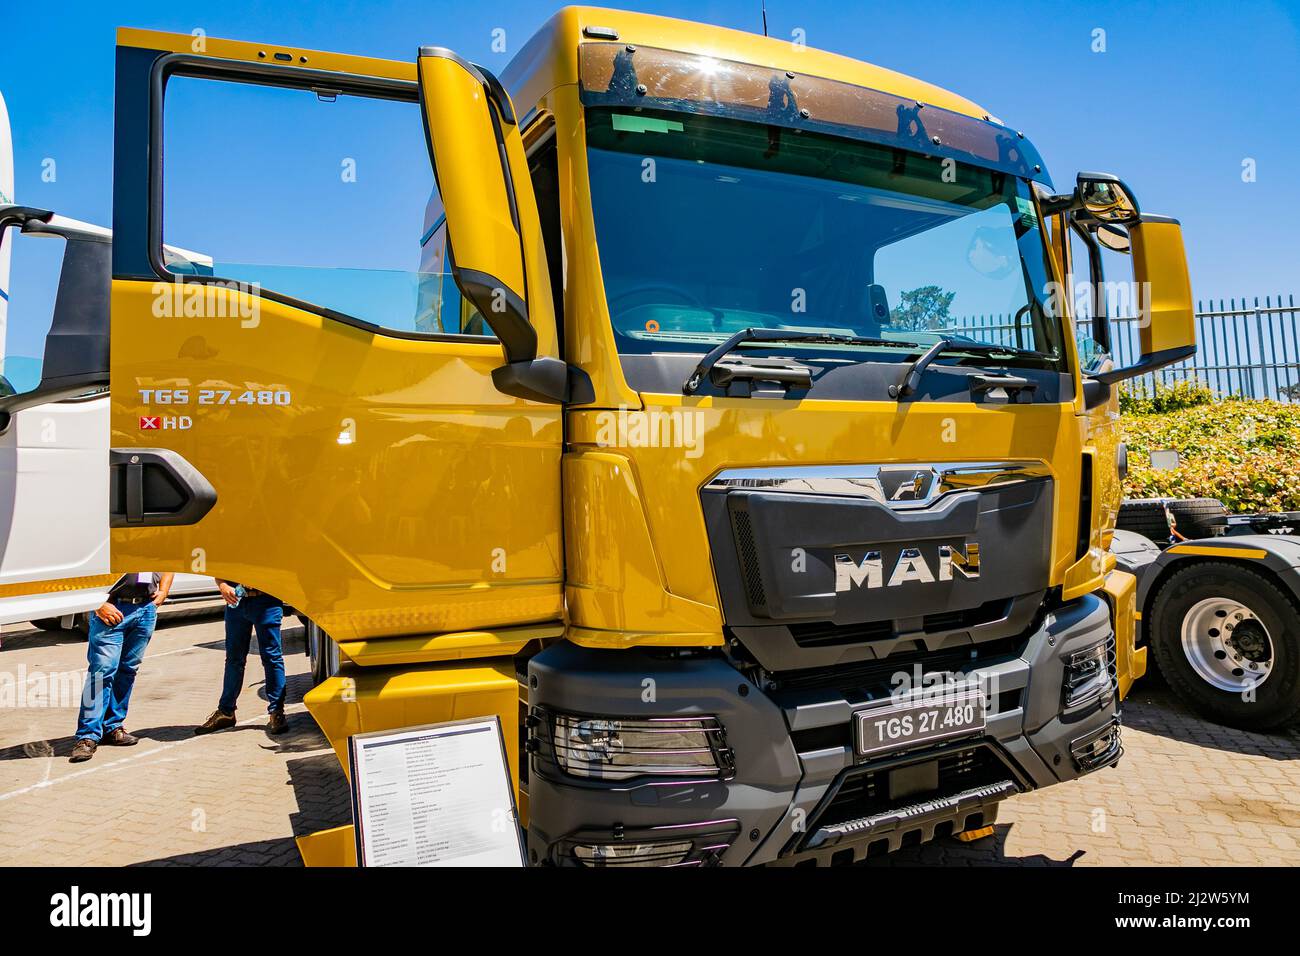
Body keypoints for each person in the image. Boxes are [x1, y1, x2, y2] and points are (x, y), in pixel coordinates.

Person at [69, 572, 174, 763]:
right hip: (111, 608)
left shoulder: (155, 541)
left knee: (127, 670)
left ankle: (112, 726)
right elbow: (84, 566)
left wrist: (164, 591)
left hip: (144, 609)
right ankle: (87, 736)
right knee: (101, 673)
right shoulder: (107, 540)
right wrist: (97, 604)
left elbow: (170, 562)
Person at [194, 580, 288, 736]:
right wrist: (223, 585)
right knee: (234, 659)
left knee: (272, 657)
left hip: (266, 600)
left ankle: (276, 712)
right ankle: (226, 712)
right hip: (236, 603)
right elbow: (219, 564)